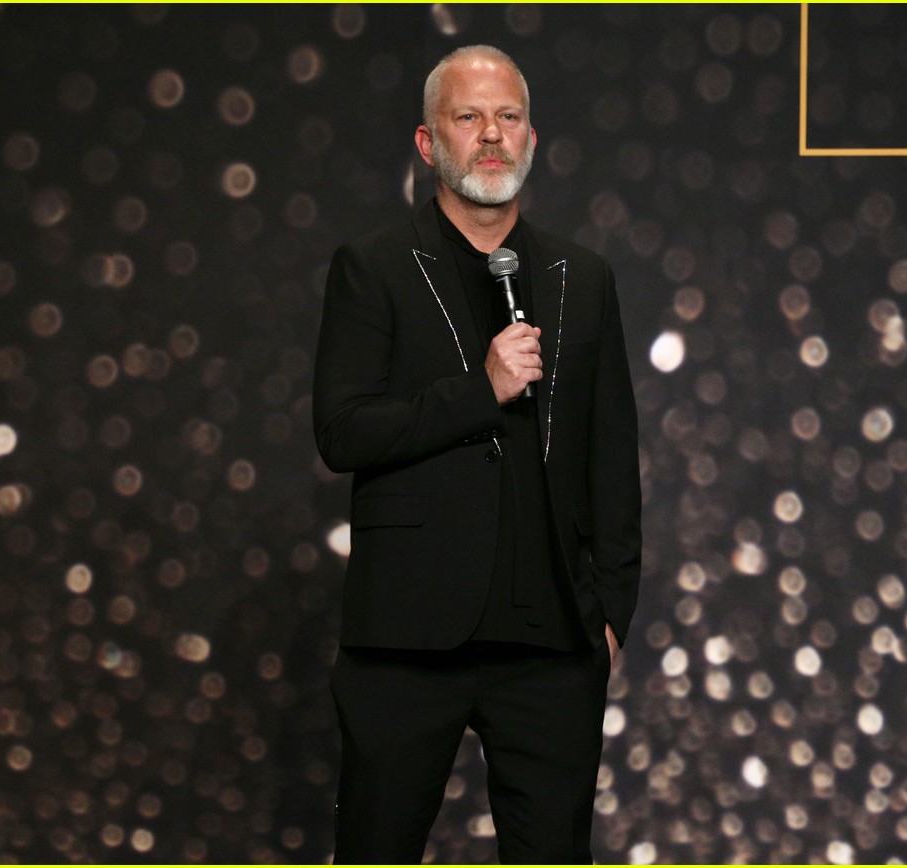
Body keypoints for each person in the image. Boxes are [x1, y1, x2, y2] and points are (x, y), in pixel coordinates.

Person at [312, 44, 640, 864]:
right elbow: (342, 431)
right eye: (468, 117)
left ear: (532, 139)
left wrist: (610, 615)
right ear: (429, 144)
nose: (490, 135)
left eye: (508, 117)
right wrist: (478, 389)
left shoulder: (582, 277)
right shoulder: (375, 268)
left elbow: (611, 455)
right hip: (408, 641)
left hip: (552, 647)